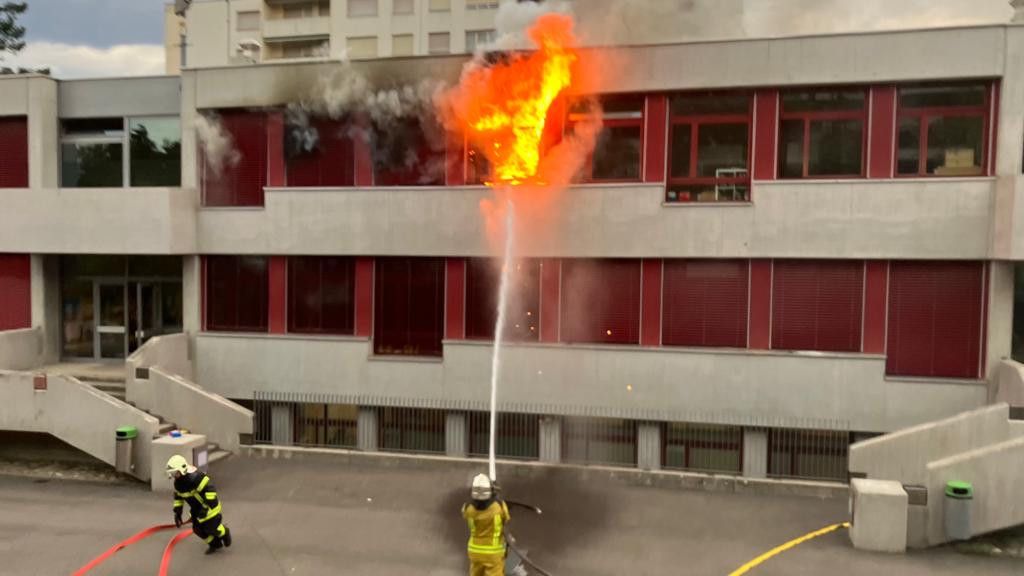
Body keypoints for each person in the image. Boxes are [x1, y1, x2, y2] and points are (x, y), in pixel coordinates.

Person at [166, 455, 232, 554]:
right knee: (198, 530)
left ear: (182, 469)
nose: (174, 475)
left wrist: (205, 507)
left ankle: (224, 532)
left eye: (175, 472)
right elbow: (178, 497)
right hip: (196, 510)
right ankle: (215, 544)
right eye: (172, 473)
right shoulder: (178, 484)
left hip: (210, 508)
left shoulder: (196, 478)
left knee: (211, 528)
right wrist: (177, 512)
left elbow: (210, 491)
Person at [462, 473, 511, 576]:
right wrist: (495, 493)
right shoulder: (499, 506)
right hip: (493, 553)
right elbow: (506, 519)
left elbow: (465, 514)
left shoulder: (467, 508)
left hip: (474, 552)